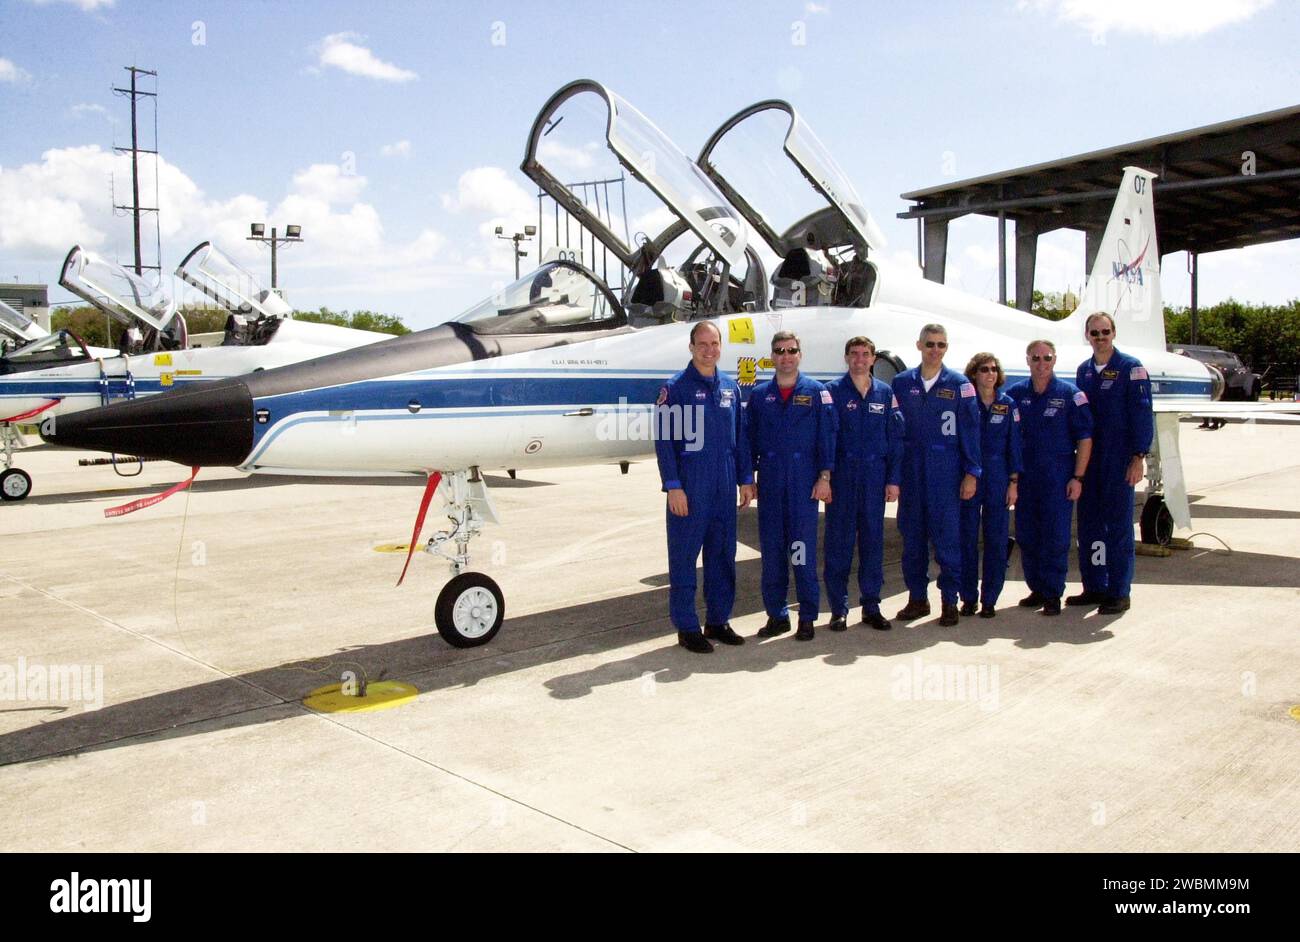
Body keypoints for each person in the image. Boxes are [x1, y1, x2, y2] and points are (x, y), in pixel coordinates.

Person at [655, 321, 756, 653]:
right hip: (691, 483)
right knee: (685, 557)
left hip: (724, 482)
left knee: (723, 554)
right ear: (691, 347)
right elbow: (665, 442)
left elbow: (740, 439)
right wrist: (673, 486)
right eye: (703, 344)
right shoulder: (676, 388)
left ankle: (718, 620)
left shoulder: (730, 387)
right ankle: (687, 627)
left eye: (715, 343)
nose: (709, 350)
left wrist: (745, 479)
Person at [747, 330, 836, 641]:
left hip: (803, 485)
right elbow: (748, 441)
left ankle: (807, 616)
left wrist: (825, 477)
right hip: (771, 483)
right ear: (772, 356)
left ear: (800, 355)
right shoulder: (759, 396)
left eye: (792, 350)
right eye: (780, 350)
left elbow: (827, 438)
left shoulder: (816, 393)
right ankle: (777, 615)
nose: (786, 356)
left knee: (802, 552)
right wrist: (748, 479)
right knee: (772, 555)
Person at [891, 324, 981, 627]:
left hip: (946, 473)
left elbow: (970, 432)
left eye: (941, 345)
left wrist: (972, 472)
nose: (935, 350)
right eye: (930, 344)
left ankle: (949, 600)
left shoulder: (960, 385)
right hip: (912, 472)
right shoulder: (902, 383)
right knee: (912, 539)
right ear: (919, 345)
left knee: (947, 541)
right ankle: (917, 598)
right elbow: (893, 430)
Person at [1072, 312, 1154, 614]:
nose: (1100, 337)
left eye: (1105, 332)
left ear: (1113, 333)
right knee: (1090, 526)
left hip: (1119, 459)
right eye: (1094, 333)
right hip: (1090, 461)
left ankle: (1119, 591)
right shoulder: (1084, 372)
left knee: (1118, 528)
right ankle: (1095, 585)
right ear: (1087, 336)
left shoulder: (1131, 369)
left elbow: (1142, 415)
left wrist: (1138, 456)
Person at [823, 336, 904, 632]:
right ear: (846, 358)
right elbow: (826, 439)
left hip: (873, 479)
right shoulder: (831, 392)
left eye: (865, 354)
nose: (859, 359)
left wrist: (894, 480)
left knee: (872, 544)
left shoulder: (885, 393)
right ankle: (838, 609)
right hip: (842, 479)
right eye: (854, 354)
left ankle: (871, 605)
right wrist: (825, 477)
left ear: (873, 359)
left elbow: (896, 439)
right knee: (838, 545)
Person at [1006, 340, 1092, 616]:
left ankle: (1053, 592)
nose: (1041, 364)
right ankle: (1037, 588)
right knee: (1027, 535)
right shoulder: (1016, 395)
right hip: (1026, 478)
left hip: (1057, 478)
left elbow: (1085, 438)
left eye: (1046, 358)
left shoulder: (1070, 395)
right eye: (1035, 358)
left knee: (1055, 537)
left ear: (1054, 360)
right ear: (1027, 360)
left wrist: (1077, 477)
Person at [958, 353, 1023, 618]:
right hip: (971, 476)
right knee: (967, 539)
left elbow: (1014, 445)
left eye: (994, 369)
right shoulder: (965, 403)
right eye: (984, 369)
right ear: (974, 373)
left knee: (996, 540)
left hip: (998, 477)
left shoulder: (1007, 405)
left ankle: (990, 599)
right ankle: (969, 598)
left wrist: (1013, 482)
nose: (990, 374)